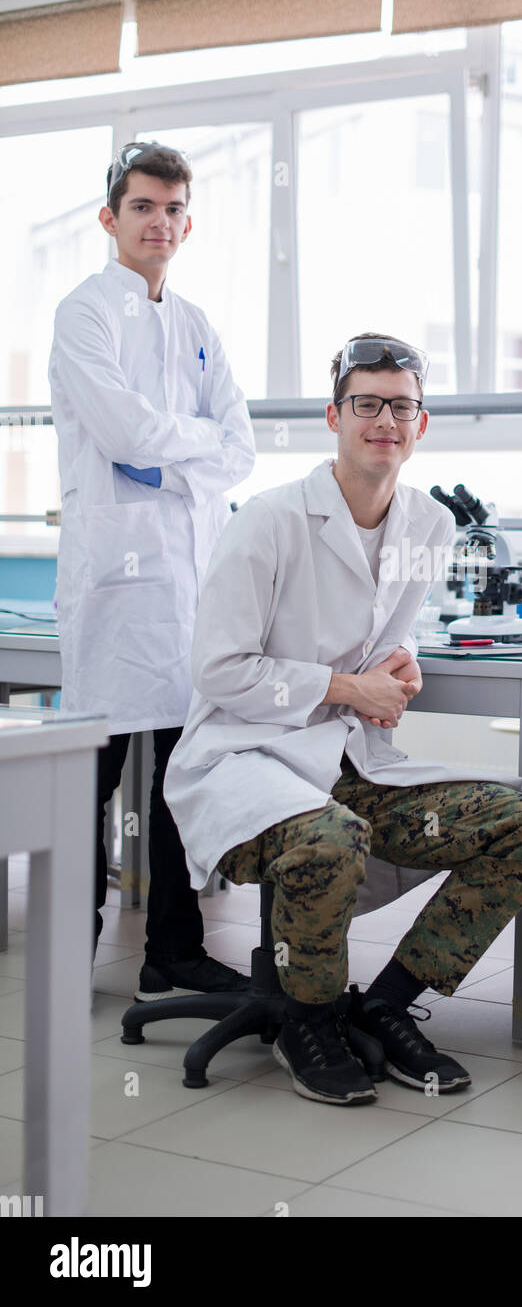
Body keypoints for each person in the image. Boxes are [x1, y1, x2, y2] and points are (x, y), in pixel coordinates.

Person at [164, 333, 522, 1105]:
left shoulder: (429, 525)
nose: (385, 419)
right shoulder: (267, 523)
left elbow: (381, 622)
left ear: (422, 424)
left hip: (350, 762)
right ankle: (307, 1019)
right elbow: (219, 671)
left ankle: (383, 1004)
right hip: (247, 761)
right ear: (335, 416)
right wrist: (348, 688)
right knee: (330, 836)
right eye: (367, 403)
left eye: (402, 406)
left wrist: (401, 656)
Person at [48, 140, 257, 1001]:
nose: (159, 222)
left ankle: (173, 949)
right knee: (87, 780)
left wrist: (174, 461)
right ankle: (70, 947)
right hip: (113, 581)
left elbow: (238, 446)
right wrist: (188, 452)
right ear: (111, 218)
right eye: (143, 207)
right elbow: (124, 433)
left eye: (173, 209)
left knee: (180, 777)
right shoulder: (84, 313)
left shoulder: (198, 324)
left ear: (188, 222)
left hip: (190, 585)